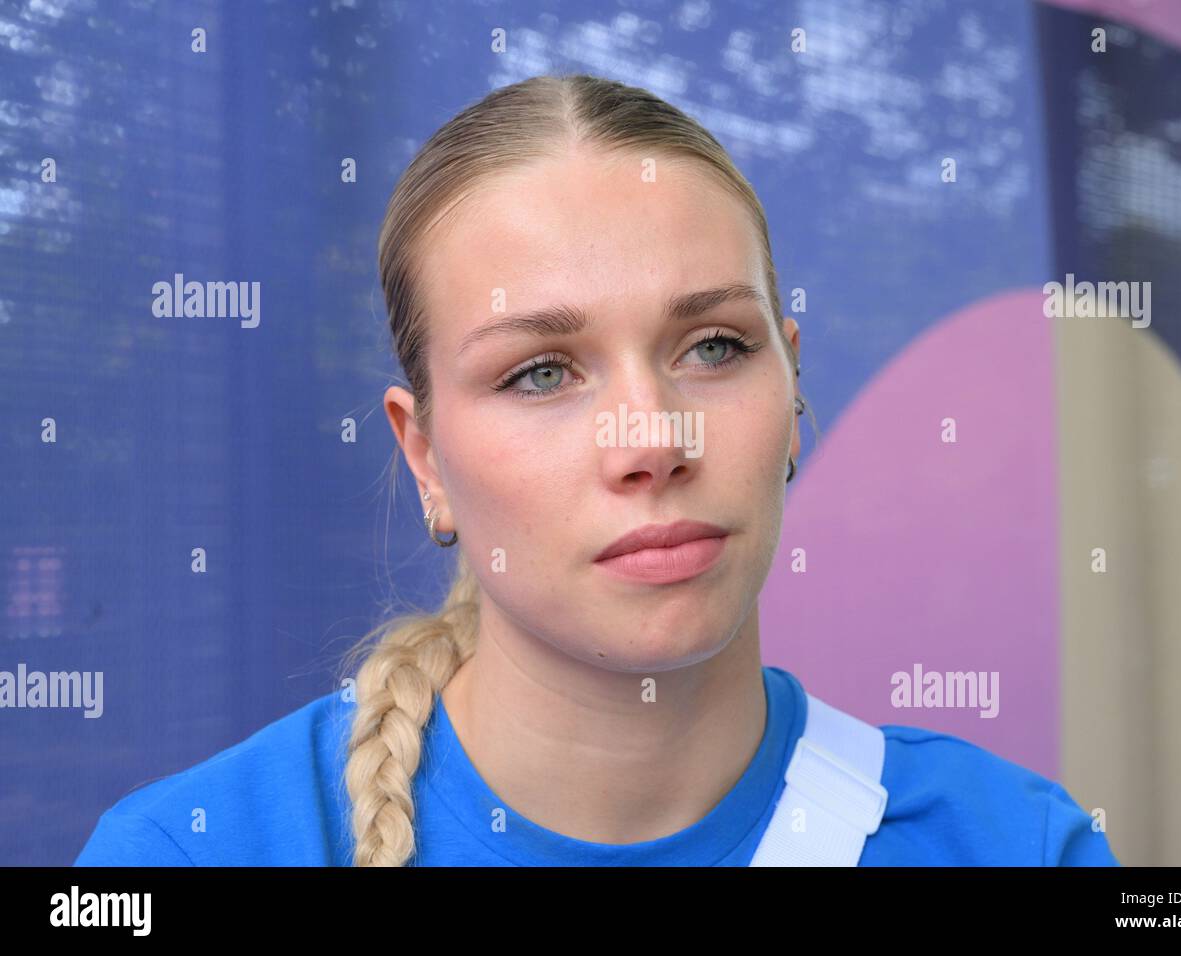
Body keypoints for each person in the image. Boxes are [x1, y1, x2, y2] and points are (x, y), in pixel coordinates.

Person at [75, 73, 1119, 867]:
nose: (653, 439)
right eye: (539, 372)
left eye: (713, 346)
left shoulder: (1017, 844)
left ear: (791, 390)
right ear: (424, 455)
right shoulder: (185, 851)